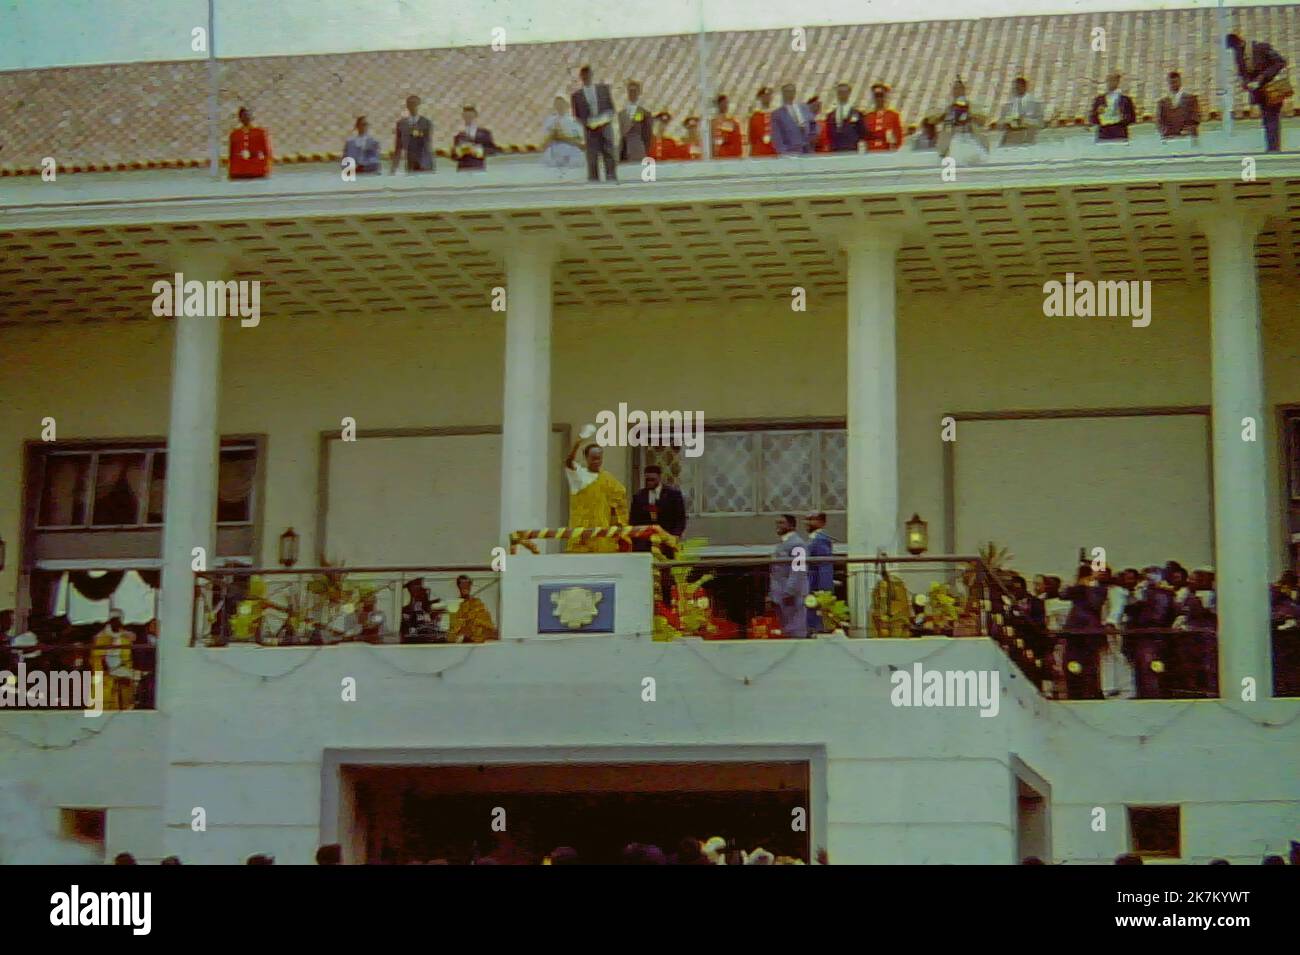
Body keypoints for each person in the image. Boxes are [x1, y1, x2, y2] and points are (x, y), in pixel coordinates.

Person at [1227, 32, 1289, 152]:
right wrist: (1246, 82)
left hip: (1272, 89)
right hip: (1259, 92)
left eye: (1235, 47)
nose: (1235, 50)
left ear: (1240, 42)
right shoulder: (1238, 55)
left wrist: (1262, 77)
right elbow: (1243, 73)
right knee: (1266, 120)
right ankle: (1271, 147)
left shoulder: (1261, 47)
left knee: (1272, 119)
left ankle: (1274, 149)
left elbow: (1280, 62)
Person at [564, 439, 628, 552]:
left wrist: (618, 526)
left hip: (602, 533)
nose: (596, 461)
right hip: (582, 533)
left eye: (599, 458)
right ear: (586, 458)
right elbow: (569, 462)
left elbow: (619, 503)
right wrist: (577, 442)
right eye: (593, 458)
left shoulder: (608, 478)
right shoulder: (579, 475)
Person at [1060, 564, 1106, 699]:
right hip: (1074, 632)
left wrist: (1088, 586)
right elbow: (1063, 594)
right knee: (1072, 664)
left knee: (1090, 666)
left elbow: (1094, 604)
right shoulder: (1077, 589)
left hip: (1090, 633)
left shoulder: (1100, 590)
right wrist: (1080, 584)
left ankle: (1091, 693)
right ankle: (1074, 693)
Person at [571, 65, 618, 182]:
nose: (587, 77)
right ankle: (593, 181)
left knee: (609, 155)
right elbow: (577, 115)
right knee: (592, 158)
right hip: (590, 131)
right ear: (581, 77)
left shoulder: (603, 89)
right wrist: (587, 123)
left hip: (605, 128)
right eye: (584, 75)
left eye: (589, 74)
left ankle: (611, 179)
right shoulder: (577, 96)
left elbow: (611, 109)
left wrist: (604, 119)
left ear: (592, 75)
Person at [769, 514, 809, 638]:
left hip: (791, 594)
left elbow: (798, 570)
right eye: (777, 523)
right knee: (785, 628)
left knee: (795, 628)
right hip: (780, 593)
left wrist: (790, 591)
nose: (778, 526)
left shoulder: (797, 544)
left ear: (791, 525)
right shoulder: (782, 544)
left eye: (781, 523)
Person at [91, 611, 134, 710]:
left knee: (127, 683)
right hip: (104, 673)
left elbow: (127, 658)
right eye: (113, 621)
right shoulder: (100, 637)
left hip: (121, 670)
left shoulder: (125, 638)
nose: (116, 623)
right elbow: (97, 658)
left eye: (118, 621)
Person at [937, 79, 989, 159]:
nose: (957, 91)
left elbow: (982, 121)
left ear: (964, 91)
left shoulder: (973, 107)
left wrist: (969, 115)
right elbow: (940, 124)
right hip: (955, 140)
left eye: (960, 89)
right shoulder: (949, 109)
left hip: (971, 139)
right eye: (955, 89)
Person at [804, 513, 834, 632]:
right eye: (806, 519)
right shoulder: (813, 539)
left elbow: (824, 565)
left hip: (816, 583)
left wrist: (824, 590)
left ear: (822, 522)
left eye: (811, 519)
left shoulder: (821, 539)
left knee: (816, 615)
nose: (807, 522)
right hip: (811, 582)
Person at [448, 575, 498, 644]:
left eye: (467, 584)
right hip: (462, 642)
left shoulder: (477, 602)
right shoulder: (454, 604)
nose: (465, 587)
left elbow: (487, 624)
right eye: (462, 585)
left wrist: (472, 625)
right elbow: (455, 629)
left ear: (470, 586)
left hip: (479, 642)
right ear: (458, 586)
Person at [392, 94, 434, 173]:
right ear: (407, 106)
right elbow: (398, 146)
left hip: (425, 163)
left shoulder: (426, 123)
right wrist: (394, 167)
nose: (413, 107)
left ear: (419, 105)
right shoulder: (401, 124)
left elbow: (427, 143)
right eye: (410, 104)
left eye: (415, 104)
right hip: (411, 163)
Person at [1089, 72, 1136, 141]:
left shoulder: (1125, 100)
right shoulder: (1099, 100)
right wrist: (1097, 113)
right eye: (1109, 80)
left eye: (1113, 80)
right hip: (1103, 133)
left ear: (1118, 82)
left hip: (1119, 132)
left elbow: (1132, 118)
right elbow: (1092, 118)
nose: (1110, 83)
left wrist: (1122, 118)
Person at [541, 95, 585, 169]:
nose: (559, 106)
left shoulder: (575, 121)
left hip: (572, 158)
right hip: (554, 159)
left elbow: (581, 144)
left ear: (567, 105)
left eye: (562, 103)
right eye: (557, 104)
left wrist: (563, 137)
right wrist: (553, 134)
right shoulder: (549, 121)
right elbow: (544, 145)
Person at [998, 76, 1045, 145]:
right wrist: (1006, 123)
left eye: (1018, 87)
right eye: (1014, 88)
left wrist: (1025, 121)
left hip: (1028, 140)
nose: (1015, 90)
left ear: (1024, 87)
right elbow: (1000, 124)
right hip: (1010, 142)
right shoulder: (1007, 105)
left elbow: (1041, 124)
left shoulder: (1035, 104)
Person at [228, 107, 271, 179]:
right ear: (240, 118)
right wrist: (231, 170)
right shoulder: (235, 134)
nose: (246, 118)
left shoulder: (260, 132)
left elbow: (266, 152)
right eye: (243, 116)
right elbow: (232, 154)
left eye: (248, 115)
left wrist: (266, 168)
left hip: (256, 169)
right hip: (239, 170)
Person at [451, 105, 498, 171]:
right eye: (466, 116)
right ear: (463, 117)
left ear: (475, 116)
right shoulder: (459, 135)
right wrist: (459, 152)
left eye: (470, 116)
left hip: (478, 167)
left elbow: (493, 150)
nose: (468, 119)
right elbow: (453, 156)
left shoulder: (484, 133)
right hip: (462, 168)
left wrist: (479, 151)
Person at [1156, 71, 1200, 141]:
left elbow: (1195, 119)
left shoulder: (1191, 99)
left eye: (1175, 82)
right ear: (1168, 84)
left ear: (1180, 82)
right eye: (1171, 83)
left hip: (1187, 138)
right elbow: (1159, 122)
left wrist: (1187, 131)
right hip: (1169, 138)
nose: (1173, 85)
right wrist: (1166, 133)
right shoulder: (1162, 103)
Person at [400, 578, 446, 644]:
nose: (424, 590)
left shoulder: (429, 609)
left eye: (420, 586)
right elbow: (408, 633)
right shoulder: (406, 611)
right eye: (417, 586)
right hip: (414, 643)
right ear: (411, 590)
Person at [771, 83, 812, 155]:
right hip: (790, 151)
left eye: (792, 91)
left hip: (807, 150)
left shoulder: (804, 108)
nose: (790, 93)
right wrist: (783, 152)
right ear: (783, 93)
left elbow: (813, 124)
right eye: (787, 91)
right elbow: (777, 136)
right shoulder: (777, 114)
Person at [825, 82, 866, 152]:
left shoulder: (856, 113)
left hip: (852, 148)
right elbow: (829, 132)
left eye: (844, 92)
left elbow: (862, 132)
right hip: (836, 149)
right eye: (839, 92)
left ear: (849, 93)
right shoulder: (831, 115)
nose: (842, 95)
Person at [618, 80, 653, 163]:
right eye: (630, 91)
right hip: (624, 151)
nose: (632, 93)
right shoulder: (622, 114)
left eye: (634, 91)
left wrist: (645, 150)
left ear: (638, 92)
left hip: (638, 151)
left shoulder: (644, 113)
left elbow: (647, 135)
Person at [863, 82, 904, 151]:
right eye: (876, 96)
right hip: (870, 151)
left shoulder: (893, 115)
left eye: (881, 95)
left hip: (887, 151)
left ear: (885, 97)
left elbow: (899, 137)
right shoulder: (867, 117)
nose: (879, 98)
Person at [748, 86, 777, 157]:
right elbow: (752, 138)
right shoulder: (755, 116)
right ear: (760, 98)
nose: (767, 97)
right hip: (759, 152)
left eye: (768, 95)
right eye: (764, 96)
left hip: (774, 151)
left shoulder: (777, 114)